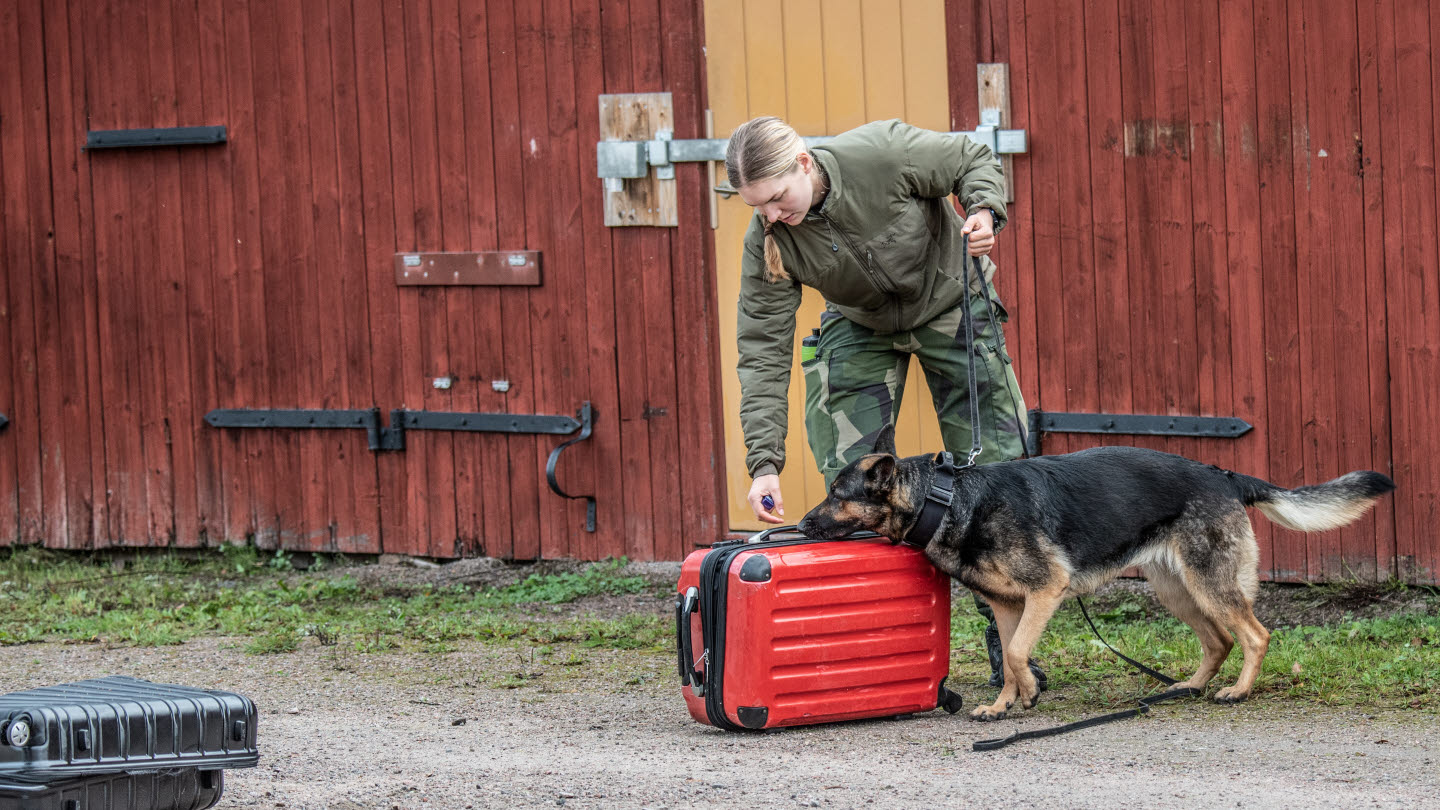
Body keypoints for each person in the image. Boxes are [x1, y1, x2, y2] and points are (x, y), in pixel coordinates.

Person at [726, 116, 1043, 689]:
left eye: (776, 199)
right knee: (853, 486)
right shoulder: (769, 237)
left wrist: (983, 210)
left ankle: (1011, 643)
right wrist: (764, 462)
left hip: (951, 299)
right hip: (861, 324)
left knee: (1000, 472)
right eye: (758, 207)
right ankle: (879, 645)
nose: (771, 215)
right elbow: (762, 351)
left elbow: (971, 157)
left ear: (803, 162)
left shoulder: (883, 154)